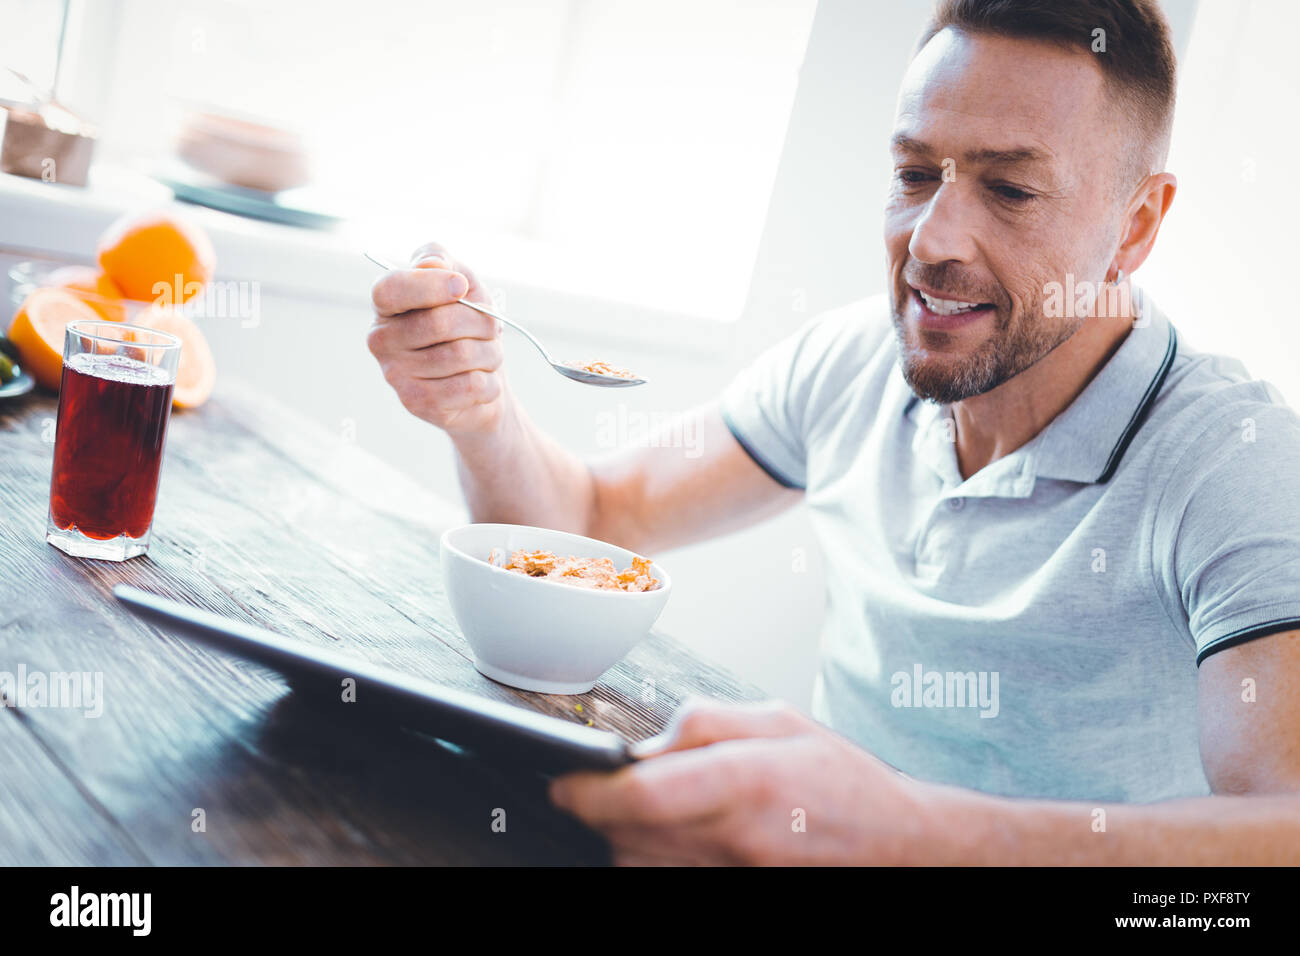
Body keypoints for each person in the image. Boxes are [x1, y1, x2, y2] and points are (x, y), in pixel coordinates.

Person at [366, 0, 1300, 864]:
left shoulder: (1234, 463)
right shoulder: (854, 360)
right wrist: (479, 412)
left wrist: (915, 831)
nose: (931, 241)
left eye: (1011, 191)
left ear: (1137, 224)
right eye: (915, 173)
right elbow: (591, 522)